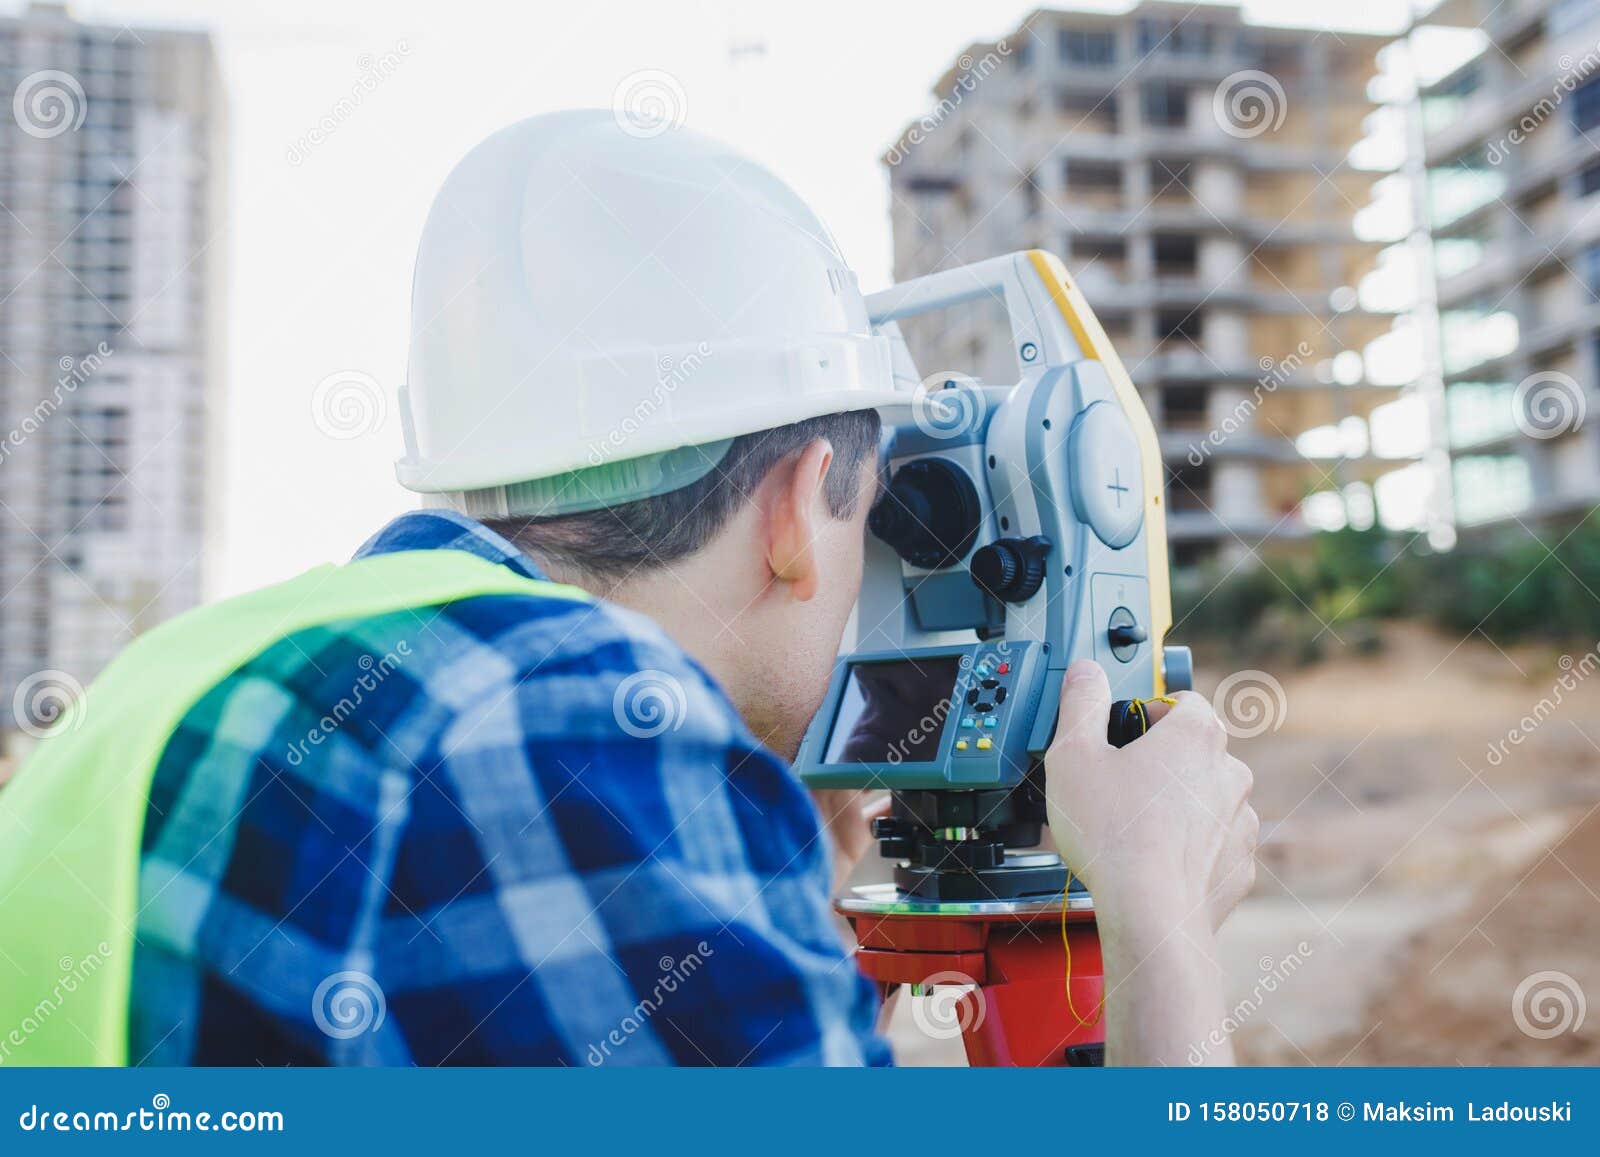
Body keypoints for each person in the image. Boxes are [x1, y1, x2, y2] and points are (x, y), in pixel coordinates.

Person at [0, 111, 1255, 1067]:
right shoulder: (568, 726)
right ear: (796, 508)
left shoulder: (200, 670)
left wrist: (745, 886)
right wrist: (1157, 919)